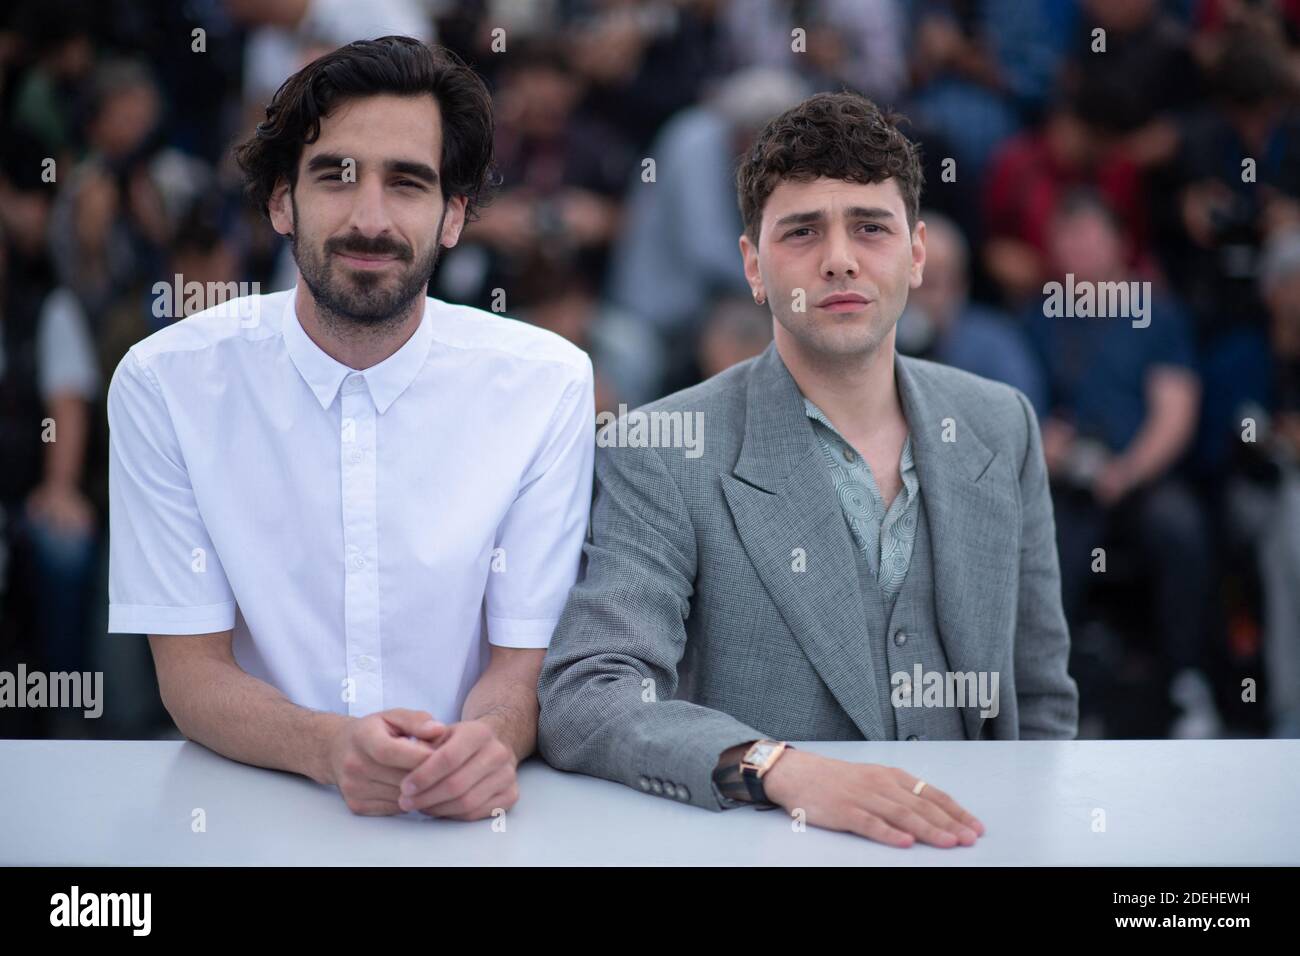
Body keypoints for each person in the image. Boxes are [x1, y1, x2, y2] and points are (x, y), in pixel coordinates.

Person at [538, 92, 1078, 848]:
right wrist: (779, 769)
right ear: (754, 267)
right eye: (802, 231)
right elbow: (590, 694)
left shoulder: (1000, 422)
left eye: (870, 227)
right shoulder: (662, 446)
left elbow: (1041, 692)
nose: (839, 258)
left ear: (917, 255)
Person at [107, 37, 594, 819]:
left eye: (408, 183)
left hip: (471, 824)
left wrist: (487, 745)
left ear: (453, 217)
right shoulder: (166, 383)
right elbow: (191, 672)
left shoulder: (546, 384)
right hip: (251, 811)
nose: (370, 219)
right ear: (279, 201)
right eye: (335, 175)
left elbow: (522, 663)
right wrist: (328, 749)